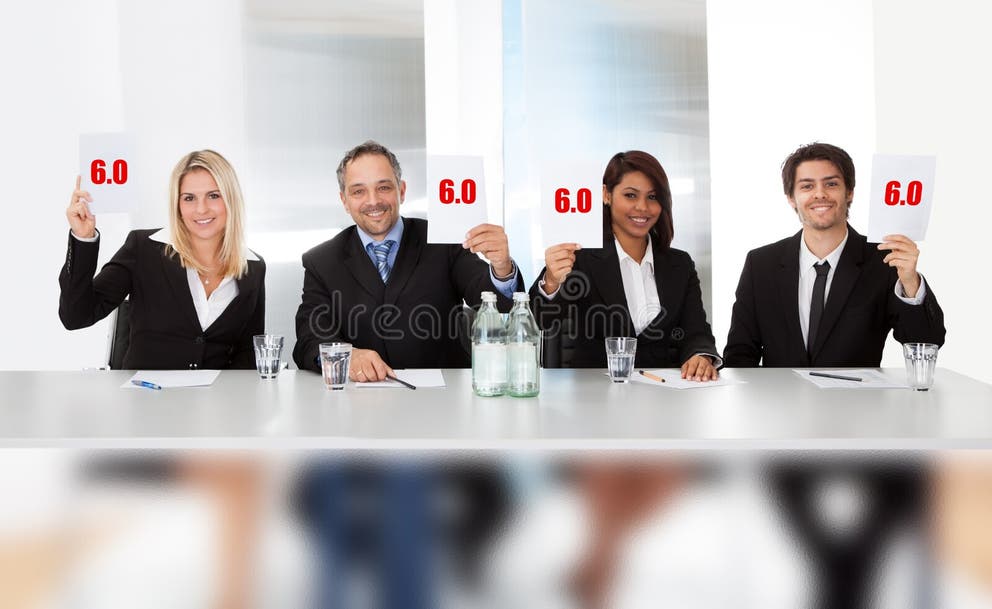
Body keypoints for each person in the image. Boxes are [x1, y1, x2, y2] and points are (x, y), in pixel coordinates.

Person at [293, 140, 523, 380]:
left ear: (401, 190)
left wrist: (501, 267)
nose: (373, 201)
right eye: (359, 191)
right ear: (344, 201)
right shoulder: (321, 262)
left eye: (383, 187)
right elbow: (309, 341)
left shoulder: (443, 242)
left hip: (443, 400)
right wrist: (345, 356)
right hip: (361, 402)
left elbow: (495, 303)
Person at [723, 142, 945, 367]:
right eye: (807, 186)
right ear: (791, 197)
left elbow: (927, 343)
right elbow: (740, 355)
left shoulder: (884, 261)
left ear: (849, 192)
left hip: (856, 401)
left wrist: (910, 282)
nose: (820, 194)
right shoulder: (761, 264)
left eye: (831, 184)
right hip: (780, 400)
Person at [60, 149, 265, 369]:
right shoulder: (143, 248)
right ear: (177, 205)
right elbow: (76, 315)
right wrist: (83, 239)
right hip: (147, 399)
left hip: (216, 400)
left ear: (231, 200)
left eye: (214, 195)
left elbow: (249, 352)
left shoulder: (252, 267)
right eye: (189, 198)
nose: (201, 208)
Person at [529, 150, 720, 380]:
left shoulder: (680, 264)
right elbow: (539, 319)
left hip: (666, 397)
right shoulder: (579, 259)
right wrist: (551, 281)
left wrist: (700, 355)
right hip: (596, 399)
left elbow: (696, 331)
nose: (642, 207)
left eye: (652, 197)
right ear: (606, 195)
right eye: (630, 195)